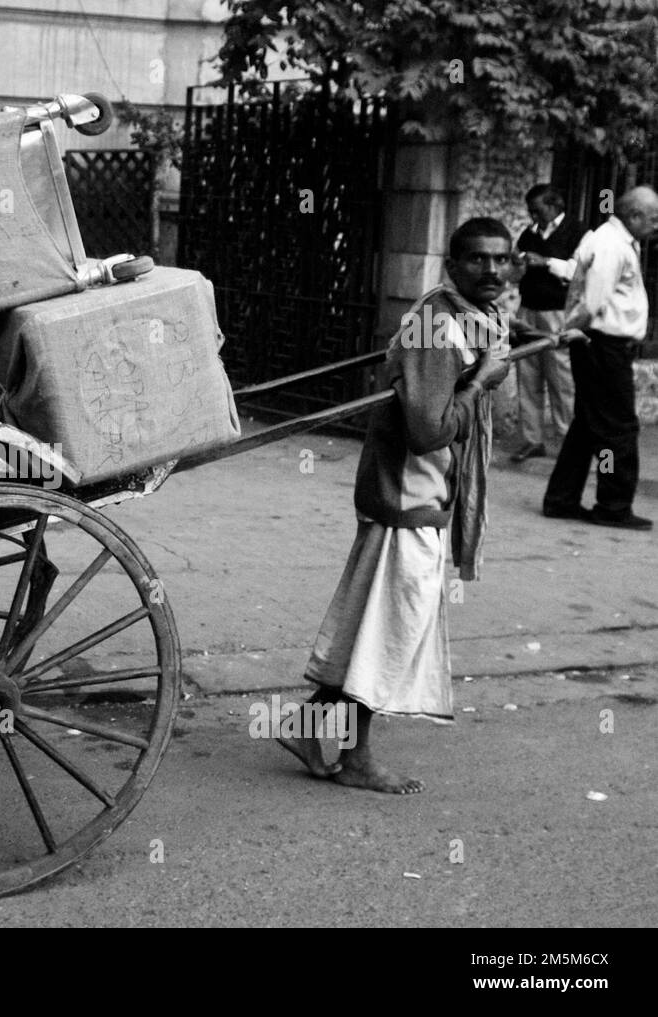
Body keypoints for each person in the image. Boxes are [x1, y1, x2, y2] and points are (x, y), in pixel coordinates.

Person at [276, 218, 513, 794]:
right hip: (407, 497)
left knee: (379, 626)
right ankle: (354, 759)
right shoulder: (437, 327)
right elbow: (428, 431)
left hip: (420, 498)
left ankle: (306, 727)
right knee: (393, 631)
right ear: (452, 265)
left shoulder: (469, 317)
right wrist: (480, 384)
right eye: (478, 260)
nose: (492, 271)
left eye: (502, 260)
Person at [542, 185, 658, 530]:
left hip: (597, 344)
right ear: (634, 215)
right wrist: (573, 332)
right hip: (603, 346)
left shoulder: (609, 239)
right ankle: (612, 504)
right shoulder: (611, 245)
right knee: (618, 429)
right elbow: (591, 301)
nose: (656, 226)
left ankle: (562, 499)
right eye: (652, 218)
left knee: (588, 425)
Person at [511, 184, 587, 462]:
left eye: (537, 210)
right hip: (527, 309)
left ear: (554, 205)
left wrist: (545, 262)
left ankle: (568, 440)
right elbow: (513, 273)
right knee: (527, 375)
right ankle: (532, 439)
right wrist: (515, 264)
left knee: (561, 378)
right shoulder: (528, 234)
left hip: (558, 311)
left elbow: (577, 272)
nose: (533, 216)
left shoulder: (579, 232)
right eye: (530, 211)